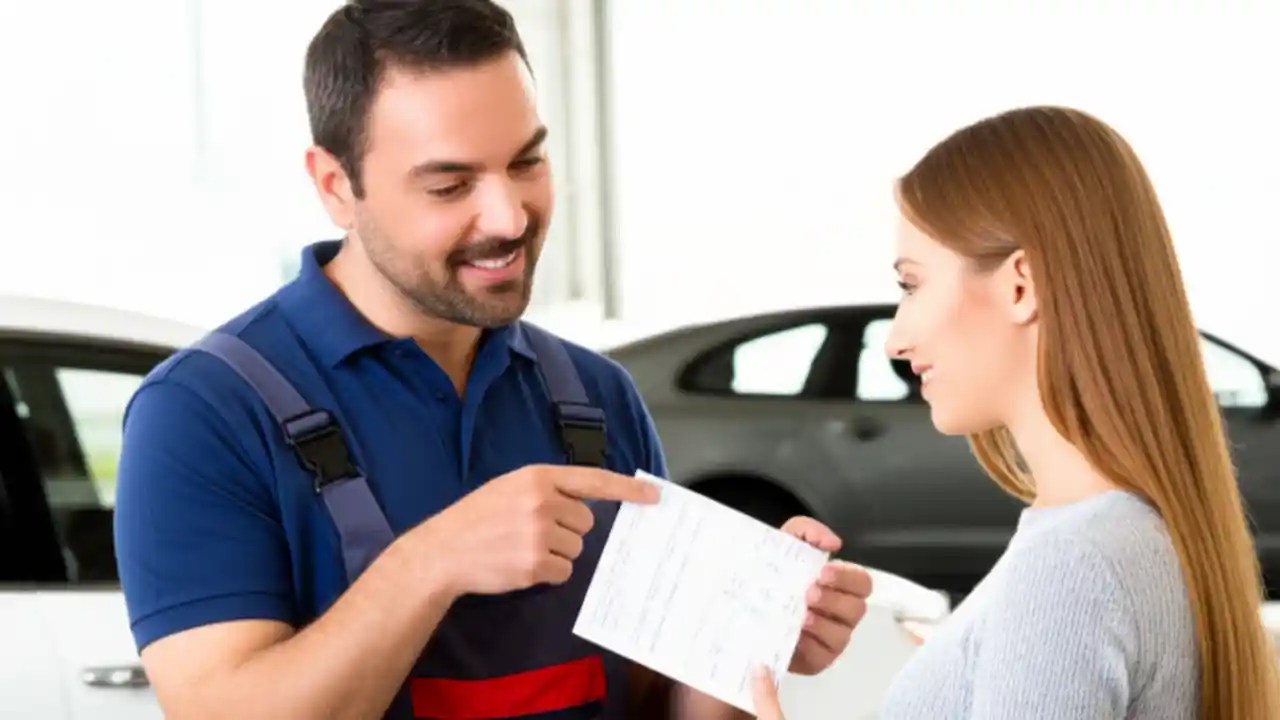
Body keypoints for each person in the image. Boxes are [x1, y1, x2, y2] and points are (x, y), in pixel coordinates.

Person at [112, 2, 873, 719]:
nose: (510, 217)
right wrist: (434, 559)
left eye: (526, 163)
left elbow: (651, 702)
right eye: (451, 184)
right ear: (337, 186)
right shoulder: (202, 413)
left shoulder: (596, 397)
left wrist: (740, 636)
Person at [751, 105, 1280, 719]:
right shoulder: (1134, 533)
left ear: (1020, 285)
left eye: (912, 284)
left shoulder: (1072, 565)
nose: (895, 340)